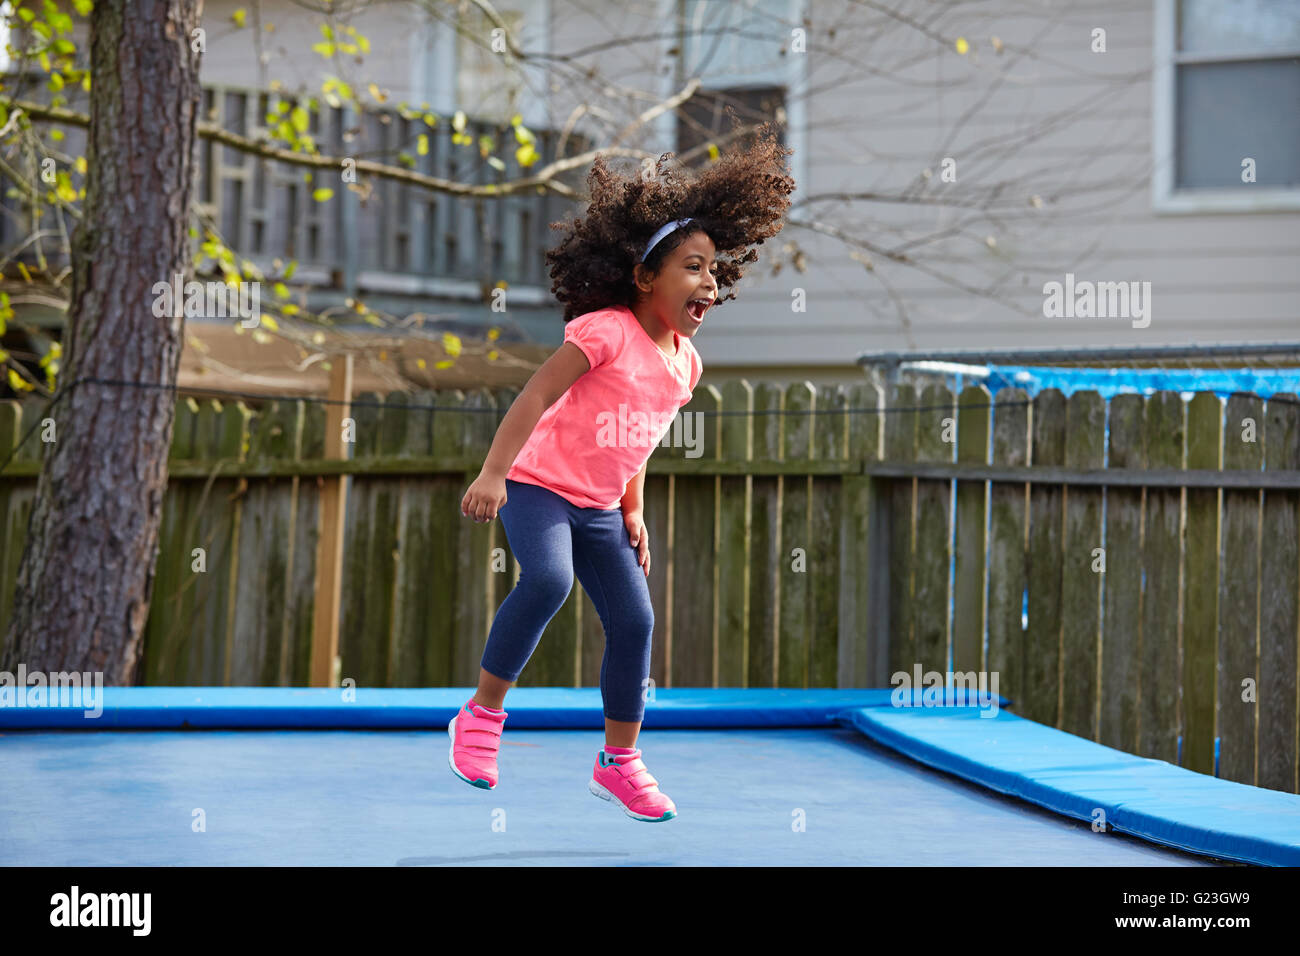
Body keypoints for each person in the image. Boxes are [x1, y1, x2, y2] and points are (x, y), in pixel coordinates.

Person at [451, 120, 795, 822]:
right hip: (537, 485)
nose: (711, 281)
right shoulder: (606, 331)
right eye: (693, 267)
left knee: (635, 621)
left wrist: (633, 509)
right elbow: (536, 395)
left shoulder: (684, 363)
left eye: (715, 270)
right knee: (548, 579)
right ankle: (481, 718)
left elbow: (638, 440)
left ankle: (619, 762)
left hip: (603, 507)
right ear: (643, 277)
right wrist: (494, 473)